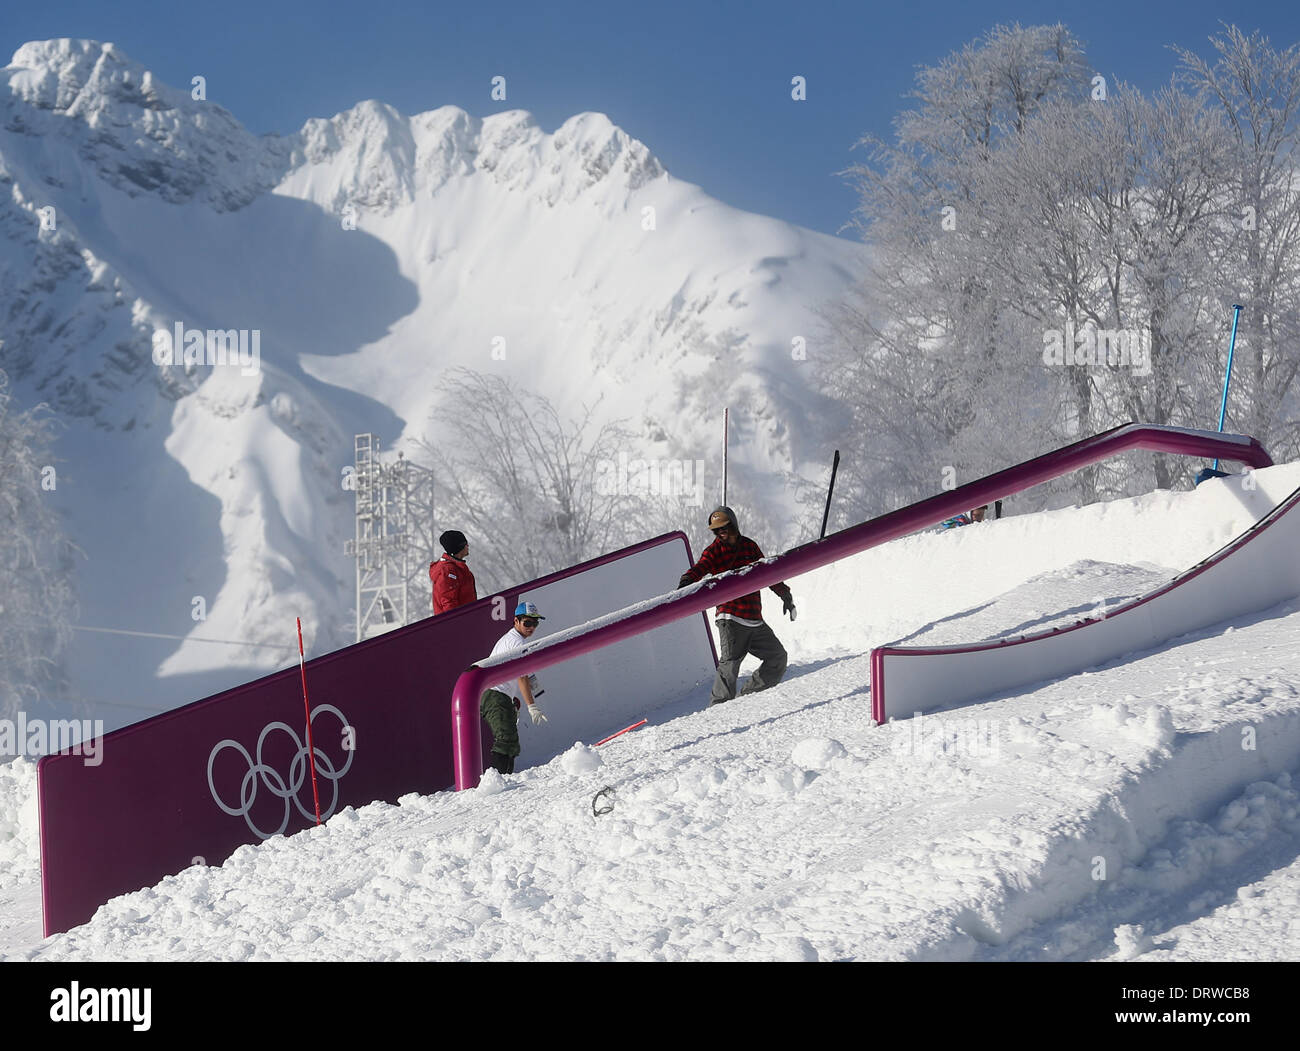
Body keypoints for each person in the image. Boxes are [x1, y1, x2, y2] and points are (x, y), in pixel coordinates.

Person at [677, 506, 795, 706]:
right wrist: (687, 579)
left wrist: (785, 594)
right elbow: (701, 567)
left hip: (754, 620)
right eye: (717, 529)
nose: (721, 532)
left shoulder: (749, 547)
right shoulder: (714, 551)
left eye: (725, 527)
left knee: (777, 658)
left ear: (734, 525)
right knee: (729, 665)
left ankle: (747, 699)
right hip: (730, 617)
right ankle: (719, 709)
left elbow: (767, 572)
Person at [478, 601, 549, 775]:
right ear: (516, 621)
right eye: (527, 623)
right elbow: (522, 676)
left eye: (535, 623)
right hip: (495, 695)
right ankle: (496, 781)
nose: (532, 627)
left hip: (499, 695)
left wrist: (512, 699)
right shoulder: (517, 643)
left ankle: (504, 779)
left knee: (511, 743)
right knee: (505, 739)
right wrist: (531, 706)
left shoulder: (513, 640)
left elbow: (522, 675)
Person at [430, 530, 477, 613]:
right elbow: (448, 602)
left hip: (466, 620)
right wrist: (455, 623)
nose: (468, 546)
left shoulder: (457, 568)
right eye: (466, 544)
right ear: (460, 547)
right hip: (457, 623)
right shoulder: (449, 570)